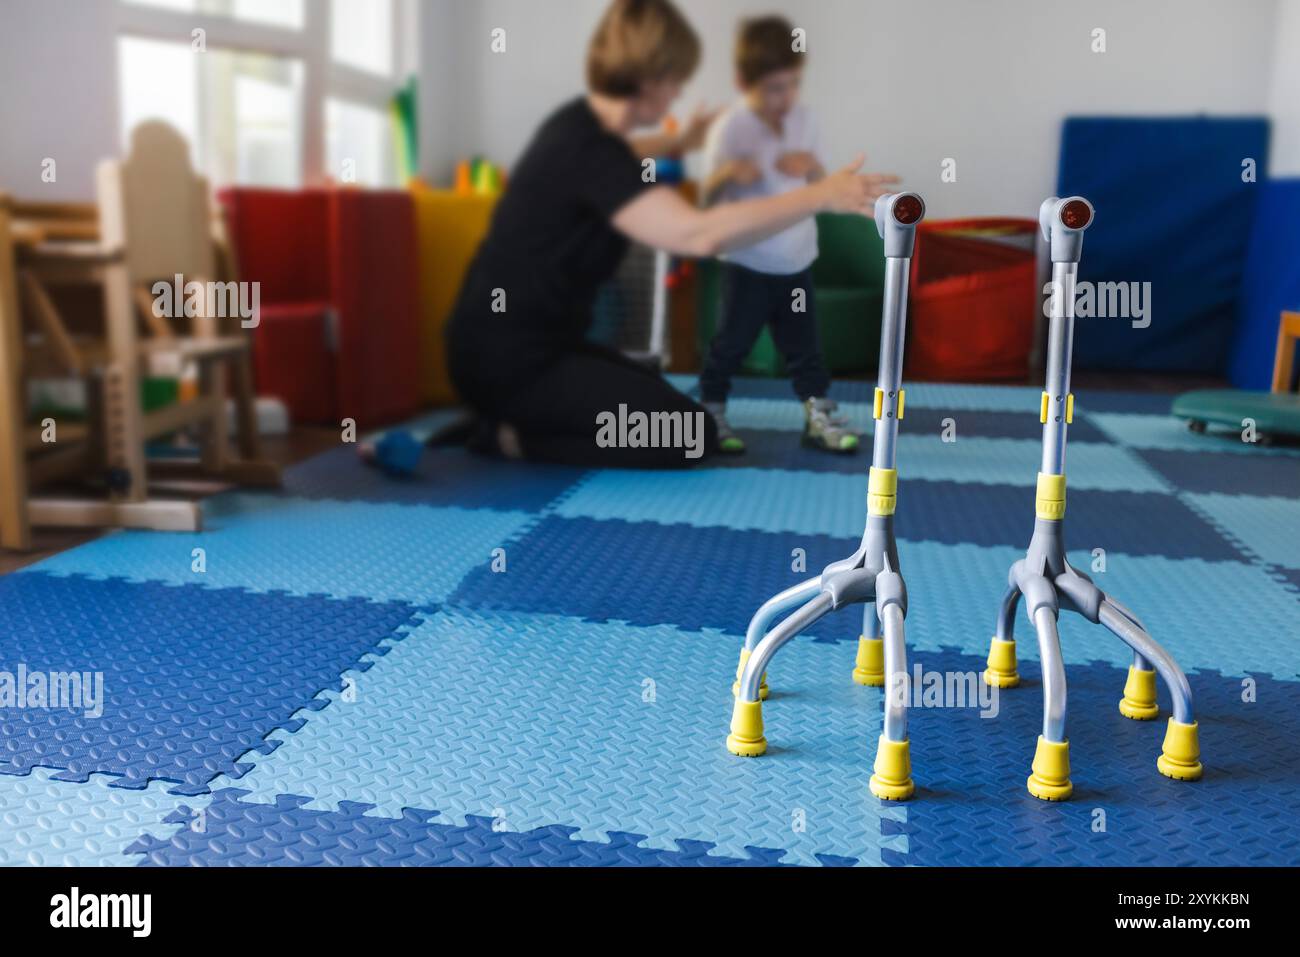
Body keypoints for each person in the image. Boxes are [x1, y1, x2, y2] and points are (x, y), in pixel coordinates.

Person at [444, 0, 897, 468]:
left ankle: (506, 419)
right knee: (689, 434)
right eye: (676, 77)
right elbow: (697, 234)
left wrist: (678, 142)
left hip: (531, 347)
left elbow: (622, 152)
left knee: (658, 393)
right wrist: (820, 195)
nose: (679, 91)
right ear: (650, 78)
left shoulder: (577, 127)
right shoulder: (591, 151)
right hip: (509, 362)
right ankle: (507, 437)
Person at [698, 14, 854, 455]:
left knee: (806, 348)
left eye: (791, 85)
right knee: (729, 345)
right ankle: (711, 410)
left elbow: (825, 186)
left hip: (795, 258)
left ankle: (817, 414)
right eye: (772, 88)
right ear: (742, 82)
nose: (784, 98)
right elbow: (705, 200)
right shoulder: (730, 128)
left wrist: (813, 169)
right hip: (747, 262)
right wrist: (728, 172)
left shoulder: (805, 121)